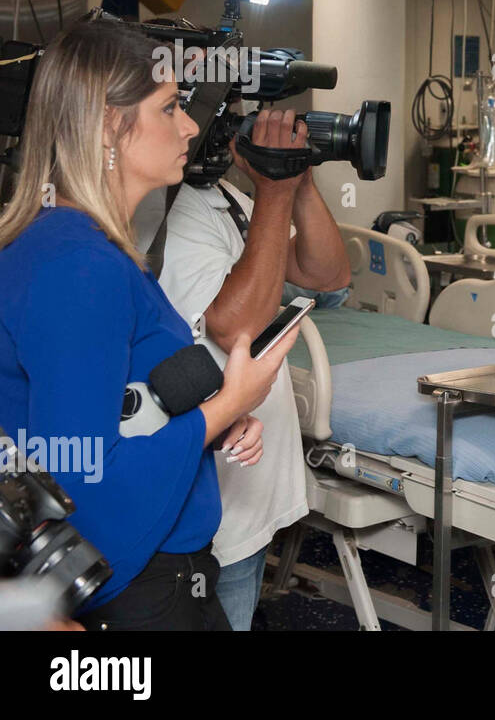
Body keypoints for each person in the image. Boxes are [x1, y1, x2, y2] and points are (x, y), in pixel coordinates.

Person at [0, 19, 297, 630]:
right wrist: (228, 404)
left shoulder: (69, 246)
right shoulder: (80, 268)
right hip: (138, 594)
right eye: (168, 109)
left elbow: (106, 413)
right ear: (111, 124)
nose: (189, 126)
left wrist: (214, 425)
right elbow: (87, 487)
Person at [135, 107, 351, 630]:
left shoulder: (225, 196)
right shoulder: (164, 213)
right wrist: (275, 193)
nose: (189, 128)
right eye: (170, 111)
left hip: (252, 487)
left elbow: (328, 274)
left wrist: (296, 181)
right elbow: (236, 329)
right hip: (211, 509)